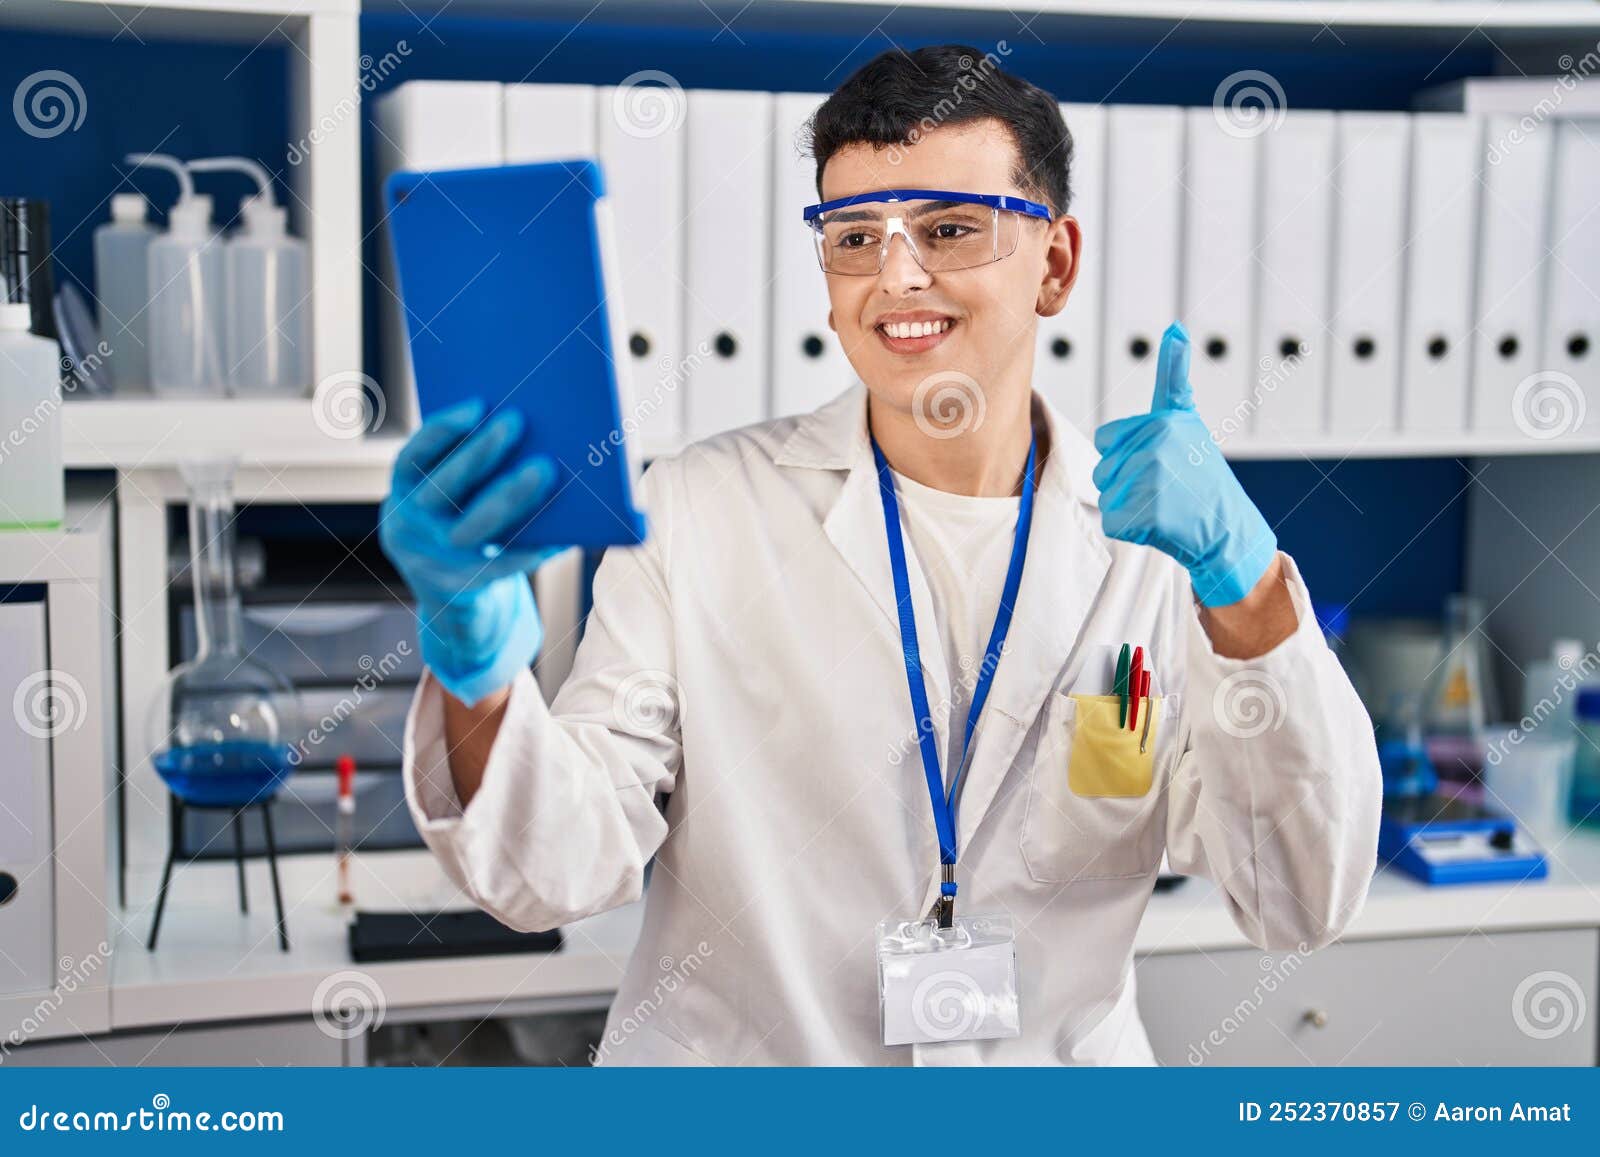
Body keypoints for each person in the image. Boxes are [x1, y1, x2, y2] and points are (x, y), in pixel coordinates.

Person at [381, 44, 1382, 1065]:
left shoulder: (1160, 550)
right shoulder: (700, 511)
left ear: (1056, 263)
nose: (897, 274)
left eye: (950, 228)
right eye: (855, 235)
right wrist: (482, 670)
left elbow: (1301, 895)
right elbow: (554, 871)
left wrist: (1247, 585)